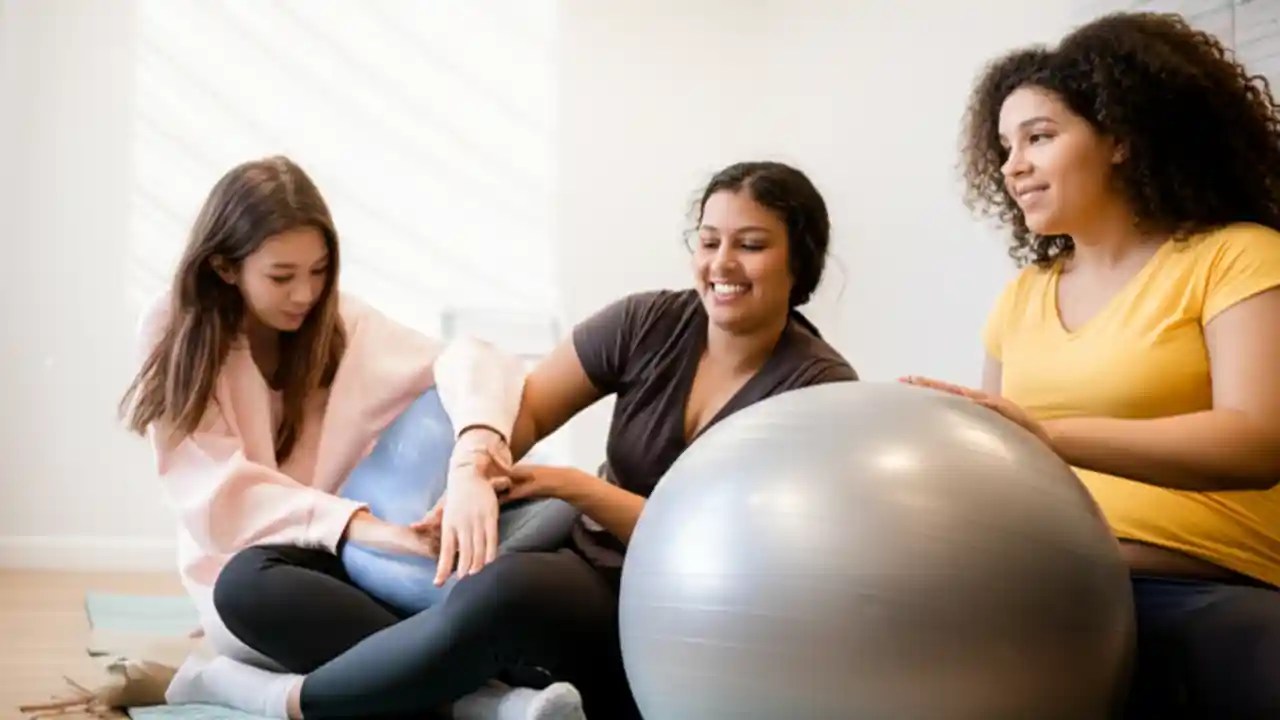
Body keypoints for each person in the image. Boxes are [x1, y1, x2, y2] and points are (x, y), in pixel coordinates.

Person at [210, 160, 859, 719]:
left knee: (505, 592)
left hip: (663, 602)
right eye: (709, 239)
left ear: (799, 259)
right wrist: (470, 472)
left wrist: (573, 485)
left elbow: (726, 547)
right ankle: (478, 697)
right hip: (563, 549)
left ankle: (279, 701)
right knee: (253, 576)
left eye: (750, 244)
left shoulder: (818, 391)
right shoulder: (649, 321)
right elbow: (521, 413)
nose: (722, 263)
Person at [107, 155, 581, 720]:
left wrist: (472, 457)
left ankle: (260, 686)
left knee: (520, 558)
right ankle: (485, 700)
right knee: (247, 586)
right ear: (225, 267)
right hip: (260, 578)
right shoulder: (174, 328)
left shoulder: (340, 323)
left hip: (354, 572)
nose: (305, 294)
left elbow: (469, 359)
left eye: (319, 270)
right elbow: (218, 499)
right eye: (282, 276)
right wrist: (364, 526)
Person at [903, 11, 1280, 717]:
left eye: (1039, 138)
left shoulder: (1238, 256)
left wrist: (1049, 433)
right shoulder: (1022, 297)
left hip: (1204, 590)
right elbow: (1001, 470)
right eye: (1005, 146)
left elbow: (1257, 439)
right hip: (1044, 586)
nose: (1013, 166)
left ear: (1122, 140)